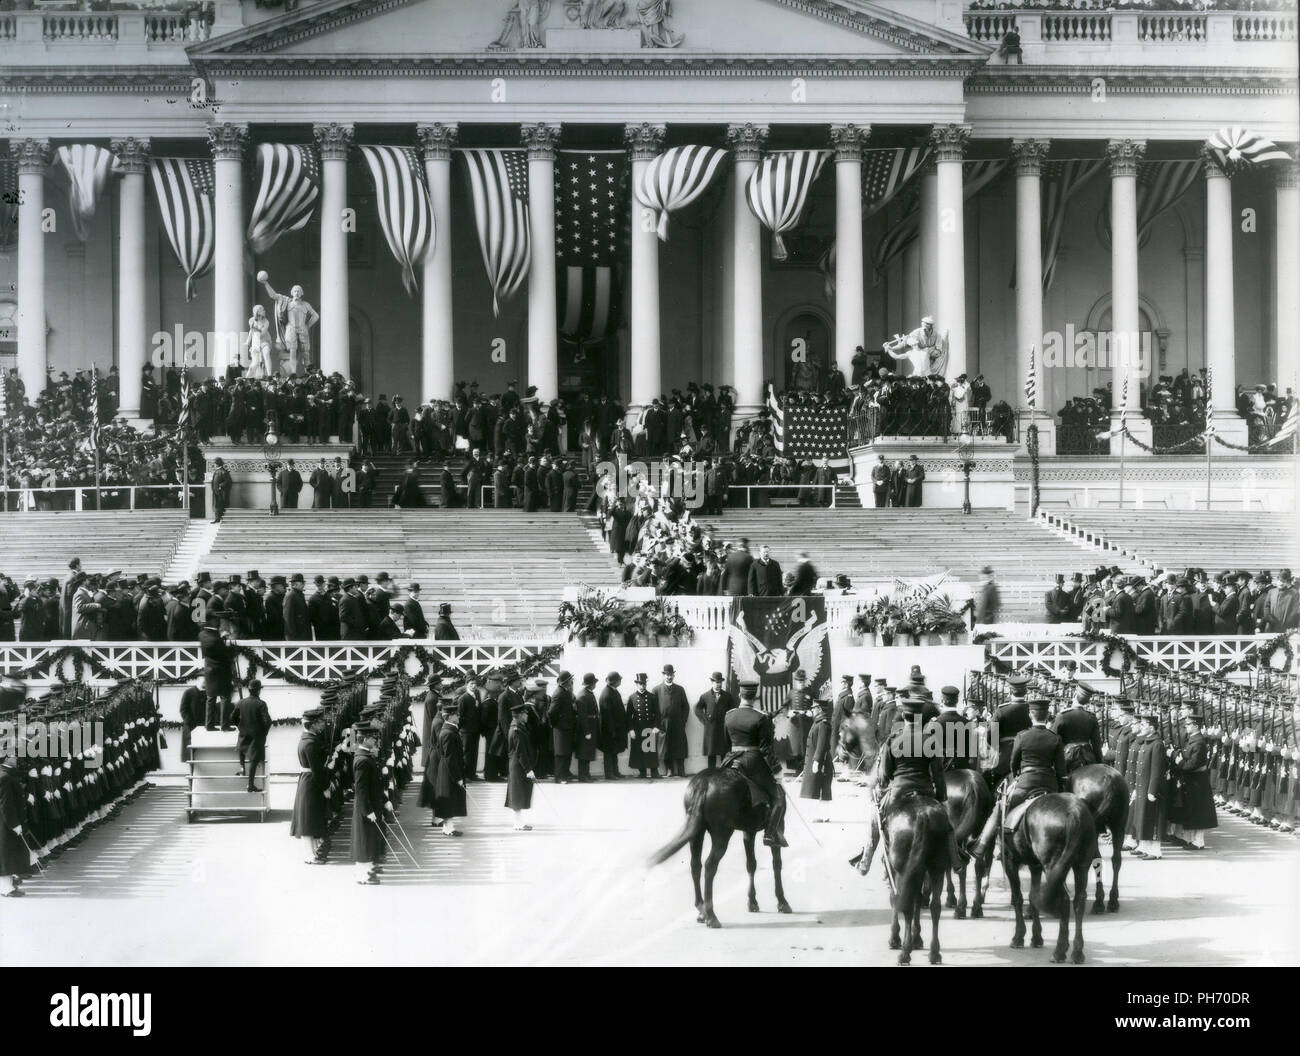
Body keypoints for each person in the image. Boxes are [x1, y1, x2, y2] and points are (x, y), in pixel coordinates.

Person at [970, 697, 1065, 859]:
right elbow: (1061, 770)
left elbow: (1014, 763)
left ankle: (982, 844)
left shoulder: (1022, 736)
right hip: (1050, 785)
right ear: (1048, 715)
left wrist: (1017, 774)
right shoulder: (1055, 738)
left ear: (1030, 715)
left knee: (1000, 806)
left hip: (1025, 784)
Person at [721, 681, 787, 847]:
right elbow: (765, 749)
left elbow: (726, 741)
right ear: (755, 697)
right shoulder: (761, 717)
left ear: (739, 695)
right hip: (753, 762)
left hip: (731, 760)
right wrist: (777, 770)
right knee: (778, 797)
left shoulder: (729, 715)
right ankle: (769, 835)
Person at [1169, 708, 1216, 850]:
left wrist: (1177, 760)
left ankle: (1198, 841)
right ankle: (1193, 839)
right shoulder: (1193, 740)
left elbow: (1190, 765)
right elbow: (1185, 755)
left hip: (1197, 781)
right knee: (1194, 811)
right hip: (1193, 781)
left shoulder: (1199, 742)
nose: (1186, 727)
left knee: (1199, 812)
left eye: (1188, 725)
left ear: (1196, 726)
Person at [290, 707, 332, 864]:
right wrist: (325, 786)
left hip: (309, 781)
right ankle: (309, 855)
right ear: (313, 724)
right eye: (320, 722)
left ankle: (313, 852)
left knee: (312, 818)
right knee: (308, 820)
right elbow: (317, 770)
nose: (323, 724)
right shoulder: (310, 743)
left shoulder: (309, 739)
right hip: (312, 783)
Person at [422, 695, 467, 837]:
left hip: (448, 770)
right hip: (449, 771)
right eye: (456, 715)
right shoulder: (448, 732)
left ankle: (448, 827)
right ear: (450, 717)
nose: (459, 717)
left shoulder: (449, 729)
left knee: (450, 799)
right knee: (450, 799)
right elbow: (450, 758)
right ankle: (448, 828)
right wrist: (458, 777)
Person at [351, 723, 387, 884]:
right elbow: (361, 790)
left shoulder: (366, 757)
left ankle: (368, 870)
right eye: (373, 738)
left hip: (372, 805)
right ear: (364, 739)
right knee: (364, 839)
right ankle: (363, 875)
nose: (376, 740)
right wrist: (367, 810)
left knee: (370, 838)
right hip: (366, 807)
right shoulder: (362, 760)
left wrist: (385, 800)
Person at [1051, 684, 1103, 771]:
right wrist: (1099, 761)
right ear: (1087, 701)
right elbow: (1096, 744)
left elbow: (1052, 740)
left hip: (1067, 758)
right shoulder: (1092, 717)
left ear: (1074, 694)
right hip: (1088, 758)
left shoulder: (1063, 716)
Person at [232, 679, 272, 793]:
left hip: (243, 733)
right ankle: (250, 785)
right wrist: (263, 732)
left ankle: (242, 768)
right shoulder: (261, 704)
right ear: (258, 691)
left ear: (249, 690)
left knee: (241, 748)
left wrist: (240, 726)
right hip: (256, 735)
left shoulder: (241, 702)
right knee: (254, 759)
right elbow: (268, 721)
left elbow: (232, 718)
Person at [0, 757, 32, 897]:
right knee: (6, 855)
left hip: (8, 822)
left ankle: (8, 885)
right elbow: (6, 805)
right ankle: (6, 889)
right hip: (6, 823)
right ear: (7, 758)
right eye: (14, 756)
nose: (17, 758)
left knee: (9, 854)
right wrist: (14, 824)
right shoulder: (4, 777)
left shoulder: (7, 773)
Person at [199, 611, 236, 730]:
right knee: (225, 697)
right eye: (216, 620)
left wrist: (221, 637)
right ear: (212, 621)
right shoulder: (215, 639)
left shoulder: (202, 634)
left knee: (210, 698)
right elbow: (226, 654)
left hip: (209, 670)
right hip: (221, 671)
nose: (218, 622)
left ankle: (209, 725)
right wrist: (230, 647)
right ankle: (224, 725)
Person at [800, 697, 835, 820]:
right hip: (818, 760)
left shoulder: (823, 723)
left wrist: (817, 760)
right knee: (817, 787)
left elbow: (821, 744)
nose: (813, 710)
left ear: (819, 709)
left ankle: (822, 816)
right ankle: (821, 815)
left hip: (821, 761)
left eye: (814, 708)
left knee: (821, 788)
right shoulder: (818, 722)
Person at [505, 694, 536, 831]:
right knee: (517, 794)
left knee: (519, 793)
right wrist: (528, 770)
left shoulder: (518, 726)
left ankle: (518, 822)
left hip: (517, 765)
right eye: (525, 713)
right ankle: (517, 823)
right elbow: (520, 752)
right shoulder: (516, 729)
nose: (527, 716)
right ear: (519, 715)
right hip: (518, 765)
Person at [654, 664, 690, 778]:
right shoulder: (656, 690)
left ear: (673, 675)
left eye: (671, 675)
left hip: (678, 723)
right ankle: (669, 770)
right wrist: (658, 724)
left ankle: (681, 769)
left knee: (680, 746)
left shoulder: (680, 689)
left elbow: (686, 706)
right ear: (663, 675)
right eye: (667, 675)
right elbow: (653, 709)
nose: (669, 677)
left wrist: (683, 721)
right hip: (664, 724)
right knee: (666, 747)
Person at [694, 671, 735, 769]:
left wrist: (728, 720)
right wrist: (705, 721)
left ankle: (724, 772)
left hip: (723, 728)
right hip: (711, 729)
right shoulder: (705, 696)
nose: (718, 684)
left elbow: (733, 709)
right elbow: (697, 708)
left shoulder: (727, 696)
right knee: (711, 752)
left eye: (720, 682)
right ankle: (711, 773)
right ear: (712, 682)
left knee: (724, 752)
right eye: (716, 682)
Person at [626, 672, 662, 779]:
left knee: (650, 750)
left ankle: (654, 771)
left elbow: (657, 714)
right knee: (638, 750)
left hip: (649, 728)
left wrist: (656, 726)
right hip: (637, 728)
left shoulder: (652, 697)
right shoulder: (632, 697)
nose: (642, 686)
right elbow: (628, 716)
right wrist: (631, 729)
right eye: (640, 684)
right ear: (636, 684)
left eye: (644, 684)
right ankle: (642, 772)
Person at [548, 671, 577, 784]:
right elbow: (551, 712)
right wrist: (556, 724)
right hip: (561, 728)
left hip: (566, 727)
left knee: (566, 752)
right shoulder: (559, 693)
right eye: (570, 680)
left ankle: (564, 774)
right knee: (560, 753)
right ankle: (559, 777)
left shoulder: (565, 691)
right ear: (566, 682)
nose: (572, 682)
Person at [599, 671, 628, 780]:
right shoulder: (607, 694)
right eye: (619, 680)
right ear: (614, 681)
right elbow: (607, 715)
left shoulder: (613, 691)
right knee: (609, 752)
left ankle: (615, 772)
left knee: (614, 751)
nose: (620, 681)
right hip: (609, 730)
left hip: (615, 729)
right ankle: (609, 773)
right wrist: (612, 731)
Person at [574, 673, 601, 783]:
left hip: (591, 726)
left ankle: (587, 774)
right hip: (586, 728)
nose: (595, 684)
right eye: (594, 683)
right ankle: (582, 776)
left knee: (588, 751)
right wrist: (586, 731)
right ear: (590, 684)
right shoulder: (582, 696)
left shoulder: (588, 693)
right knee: (584, 753)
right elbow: (582, 716)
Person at [177, 682, 206, 763]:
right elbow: (183, 710)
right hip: (190, 727)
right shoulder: (188, 692)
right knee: (190, 751)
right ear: (198, 680)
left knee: (203, 751)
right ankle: (192, 771)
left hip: (204, 727)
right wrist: (189, 722)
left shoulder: (209, 693)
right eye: (202, 679)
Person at [211, 457, 232, 523]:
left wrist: (220, 486)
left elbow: (228, 481)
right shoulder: (217, 471)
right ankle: (217, 518)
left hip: (221, 492)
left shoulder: (223, 472)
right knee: (217, 505)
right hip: (216, 491)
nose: (214, 465)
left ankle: (220, 519)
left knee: (221, 505)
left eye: (215, 463)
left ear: (217, 464)